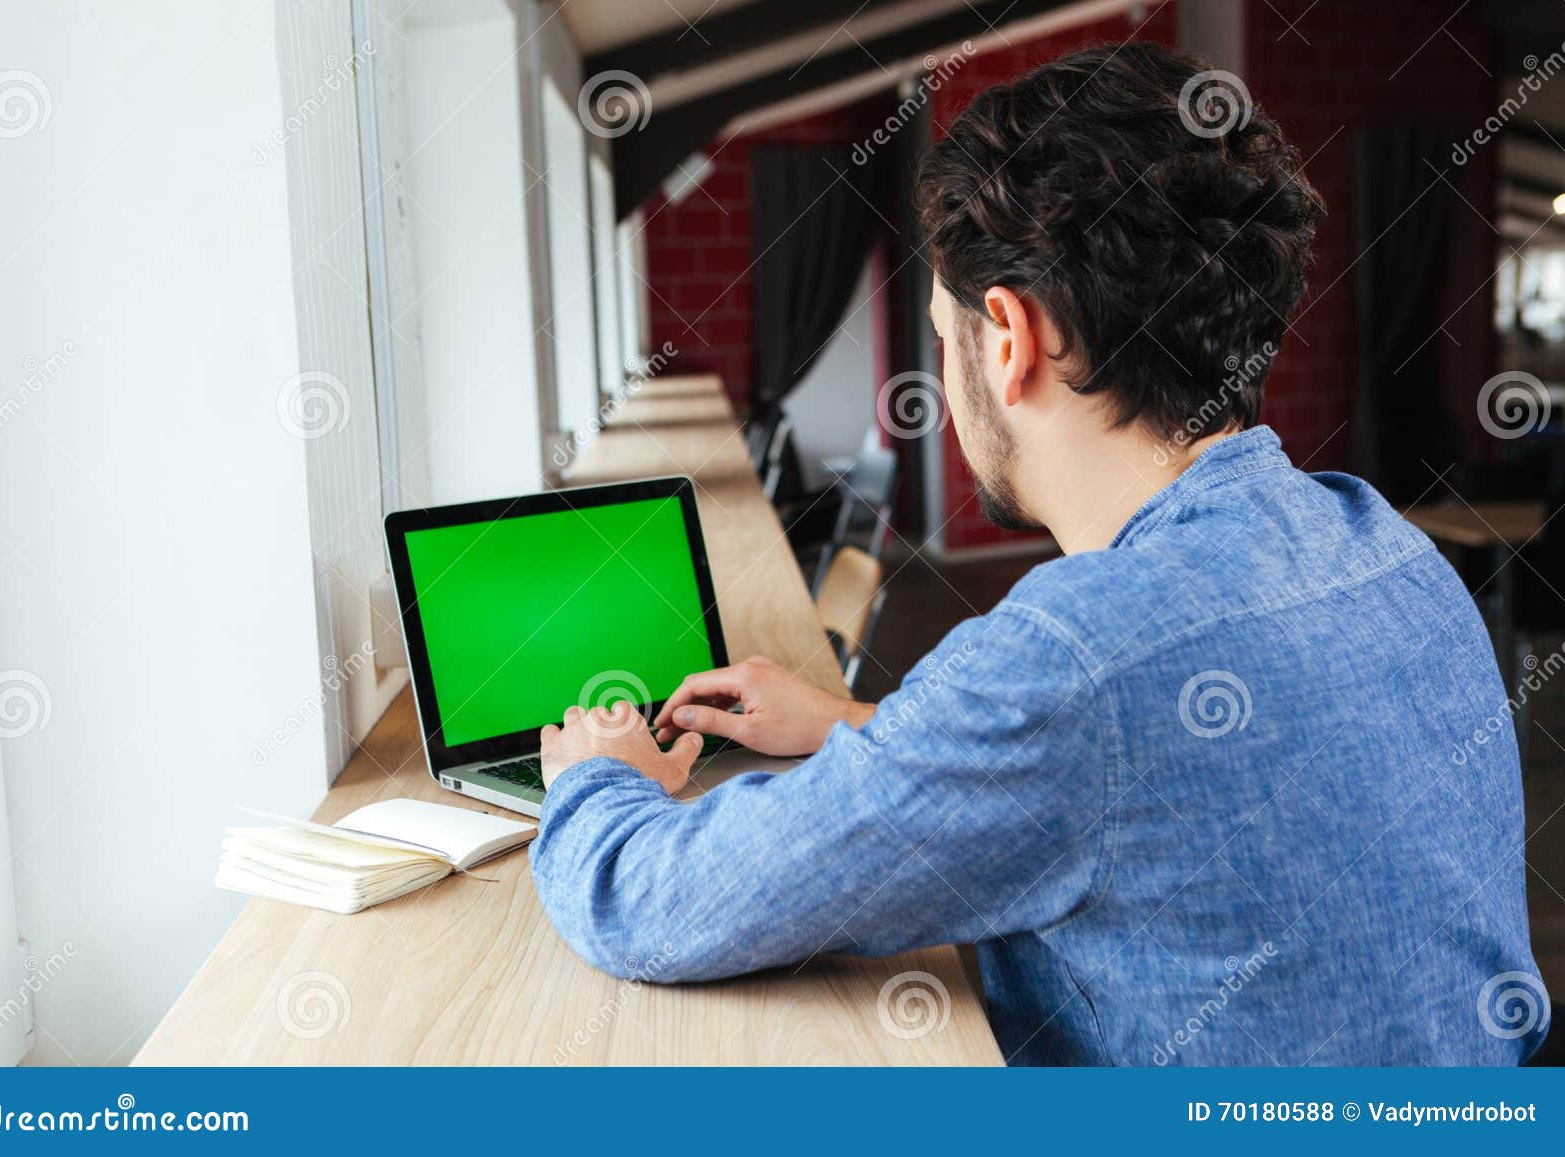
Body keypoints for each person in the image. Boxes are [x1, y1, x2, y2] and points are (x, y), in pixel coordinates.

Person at [530, 42, 1548, 1065]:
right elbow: (1163, 754)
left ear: (1008, 336)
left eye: (943, 330)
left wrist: (595, 776)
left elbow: (648, 901)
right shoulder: (1387, 547)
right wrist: (855, 724)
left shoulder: (1074, 656)